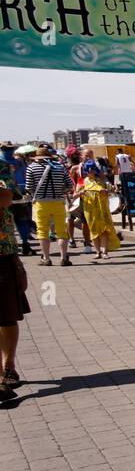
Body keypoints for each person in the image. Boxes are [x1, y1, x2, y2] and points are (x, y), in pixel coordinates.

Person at [0, 159, 30, 396]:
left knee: (7, 316)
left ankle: (7, 368)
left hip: (3, 258)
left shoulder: (1, 167)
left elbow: (6, 198)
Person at [27, 145, 73, 266]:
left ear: (37, 157)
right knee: (61, 231)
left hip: (41, 203)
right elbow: (69, 185)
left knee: (42, 230)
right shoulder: (59, 167)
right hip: (58, 202)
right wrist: (60, 190)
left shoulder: (31, 168)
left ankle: (46, 258)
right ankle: (64, 258)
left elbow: (29, 187)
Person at [72, 154, 120, 260]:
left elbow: (113, 191)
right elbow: (74, 195)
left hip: (102, 209)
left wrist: (106, 191)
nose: (91, 172)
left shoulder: (102, 180)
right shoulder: (82, 181)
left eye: (92, 169)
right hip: (89, 209)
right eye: (88, 170)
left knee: (104, 230)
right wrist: (81, 193)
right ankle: (97, 252)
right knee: (93, 230)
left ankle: (104, 252)